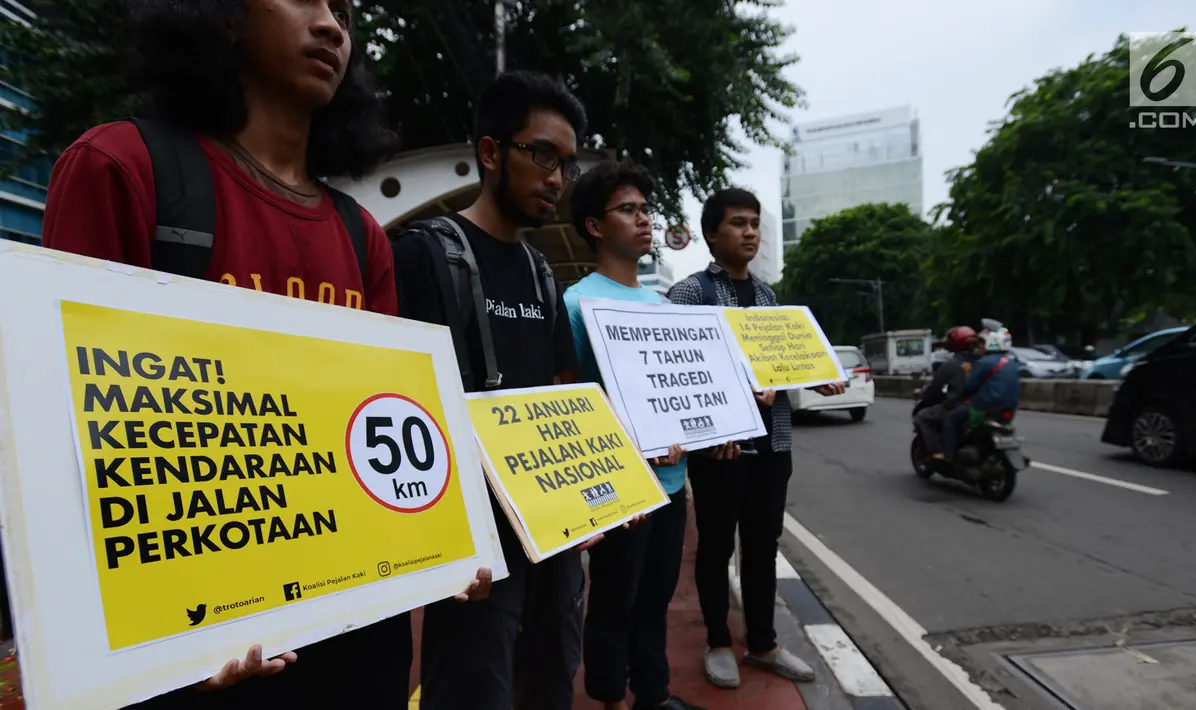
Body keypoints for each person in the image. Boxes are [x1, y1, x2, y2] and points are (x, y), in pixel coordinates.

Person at [42, 1, 490, 707]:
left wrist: (441, 545)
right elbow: (58, 439)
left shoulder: (361, 236)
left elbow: (383, 422)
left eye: (343, 11)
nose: (331, 26)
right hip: (185, 645)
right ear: (221, 16)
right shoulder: (122, 166)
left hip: (355, 634)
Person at [391, 70, 596, 710]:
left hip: (551, 537)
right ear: (488, 153)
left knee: (552, 681)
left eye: (565, 163)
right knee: (474, 689)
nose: (557, 179)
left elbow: (563, 391)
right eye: (541, 155)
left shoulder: (542, 275)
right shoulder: (421, 257)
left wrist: (600, 491)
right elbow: (393, 407)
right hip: (473, 551)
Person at [564, 160, 737, 710]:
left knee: (657, 597)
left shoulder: (663, 306)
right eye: (628, 209)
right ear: (595, 226)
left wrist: (717, 427)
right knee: (615, 598)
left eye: (646, 209)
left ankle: (653, 694)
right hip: (617, 486)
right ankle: (611, 695)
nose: (644, 220)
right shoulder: (576, 302)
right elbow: (567, 400)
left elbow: (685, 390)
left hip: (670, 481)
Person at [666, 188, 845, 690]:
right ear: (711, 234)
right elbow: (683, 372)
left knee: (763, 545)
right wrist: (729, 403)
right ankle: (719, 641)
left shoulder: (768, 298)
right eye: (738, 224)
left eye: (754, 224)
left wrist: (815, 375)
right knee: (717, 546)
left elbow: (777, 363)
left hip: (773, 444)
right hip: (721, 447)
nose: (750, 233)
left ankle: (763, 643)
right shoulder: (690, 293)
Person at [942, 326, 1021, 461]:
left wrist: (967, 373)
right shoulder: (1011, 362)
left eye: (982, 343)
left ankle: (948, 456)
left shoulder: (984, 362)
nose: (980, 347)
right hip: (1009, 409)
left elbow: (969, 387)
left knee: (950, 419)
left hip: (984, 408)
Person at [915, 326, 981, 459]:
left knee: (922, 417)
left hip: (957, 405)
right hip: (979, 404)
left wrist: (925, 395)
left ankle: (938, 452)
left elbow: (935, 388)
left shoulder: (951, 364)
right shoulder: (981, 362)